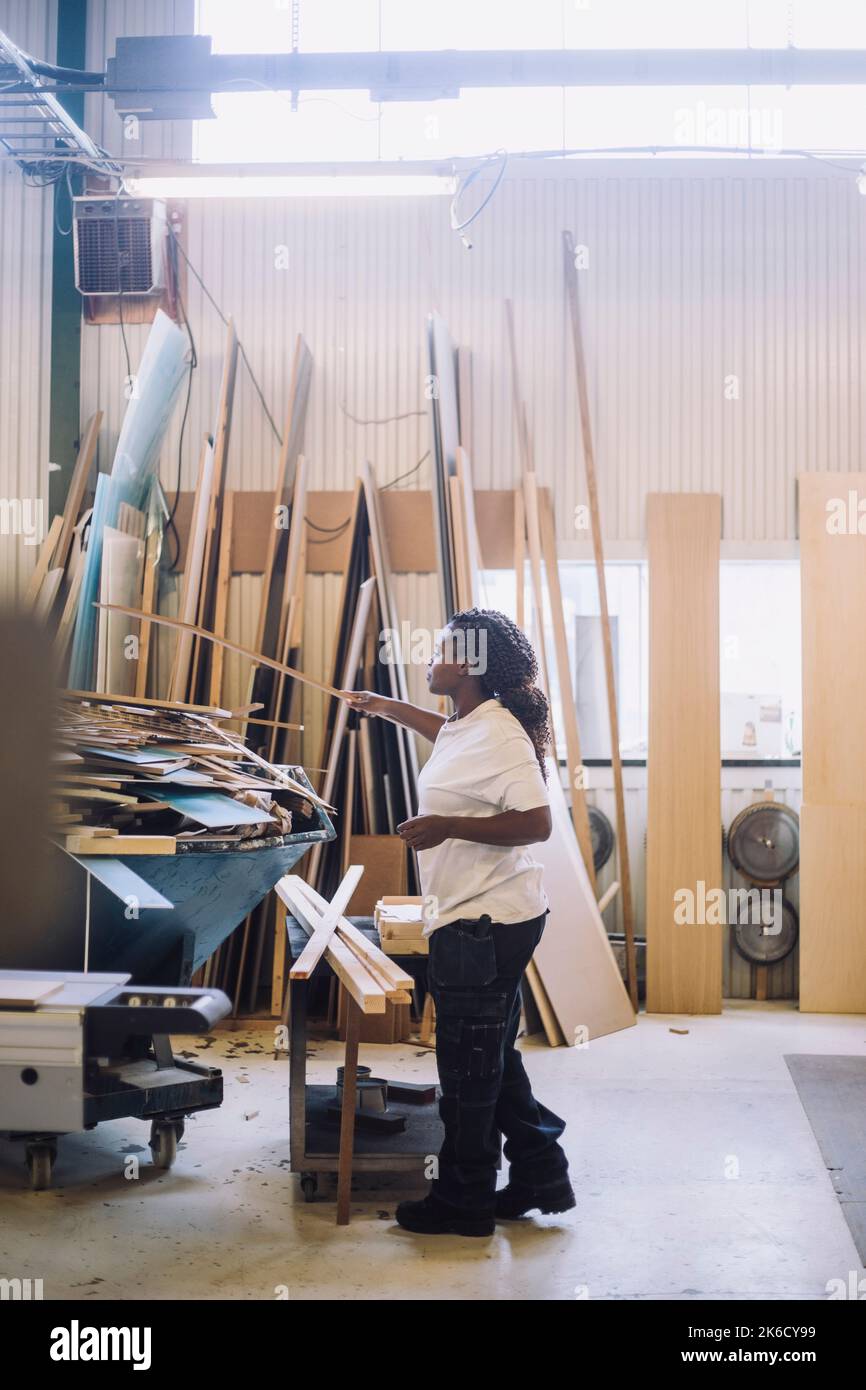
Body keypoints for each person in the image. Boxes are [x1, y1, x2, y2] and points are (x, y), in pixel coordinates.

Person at [343, 607, 575, 1237]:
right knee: (493, 1058)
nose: (429, 658)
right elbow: (444, 735)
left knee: (467, 1069)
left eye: (441, 650)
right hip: (478, 915)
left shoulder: (500, 734)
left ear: (469, 665)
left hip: (486, 921)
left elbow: (536, 823)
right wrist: (383, 706)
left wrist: (446, 826)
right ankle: (540, 1174)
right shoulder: (466, 723)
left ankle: (464, 1200)